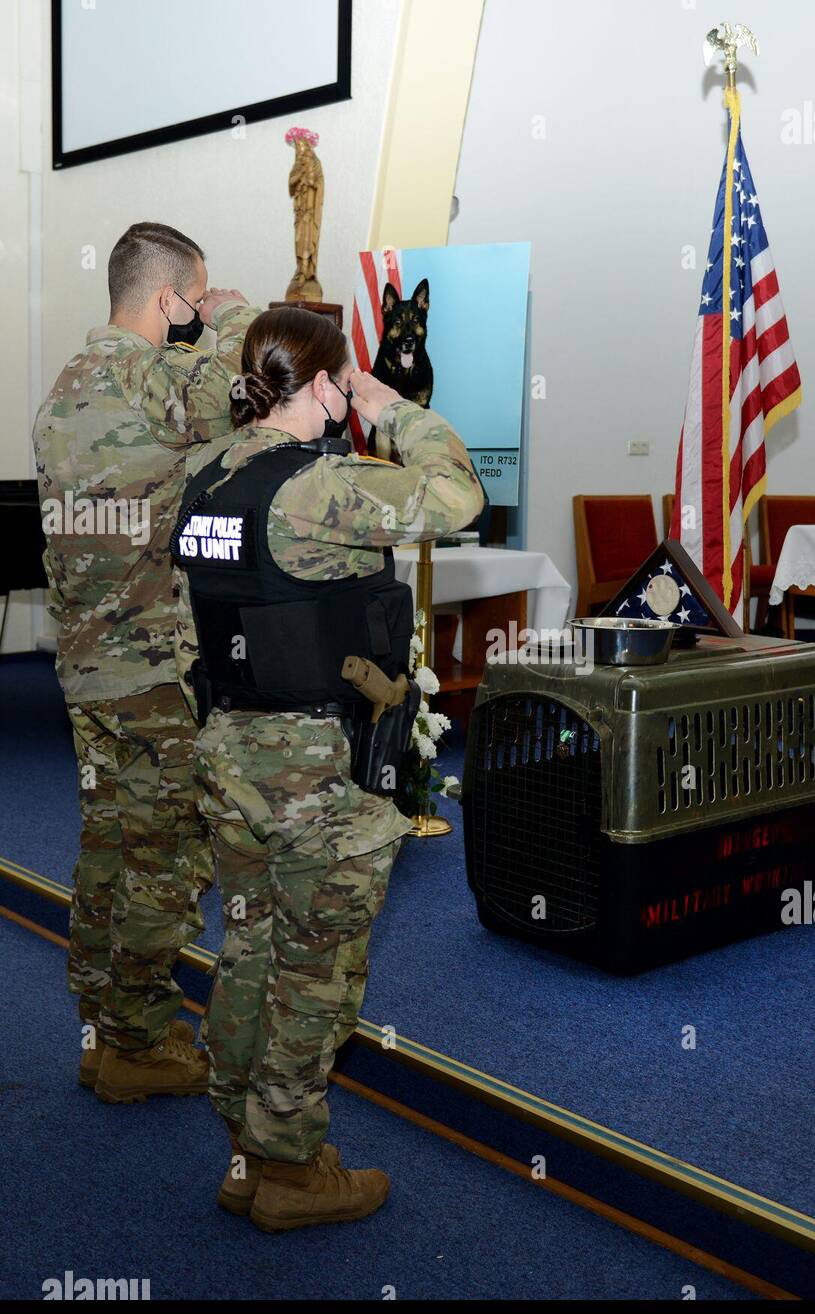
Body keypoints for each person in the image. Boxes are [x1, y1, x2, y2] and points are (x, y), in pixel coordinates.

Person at [171, 306, 484, 1231]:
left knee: (250, 947)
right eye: (338, 382)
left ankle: (247, 1148)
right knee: (317, 970)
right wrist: (394, 411)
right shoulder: (320, 485)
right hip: (306, 764)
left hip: (227, 748)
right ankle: (292, 1169)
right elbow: (458, 499)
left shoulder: (203, 473)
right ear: (319, 385)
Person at [33, 222, 259, 1101]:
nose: (200, 316)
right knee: (164, 857)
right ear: (167, 301)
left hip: (86, 666)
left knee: (106, 848)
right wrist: (234, 319)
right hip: (152, 673)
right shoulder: (150, 378)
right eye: (194, 302)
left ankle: (100, 1026)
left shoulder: (65, 390)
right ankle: (135, 1039)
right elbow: (232, 394)